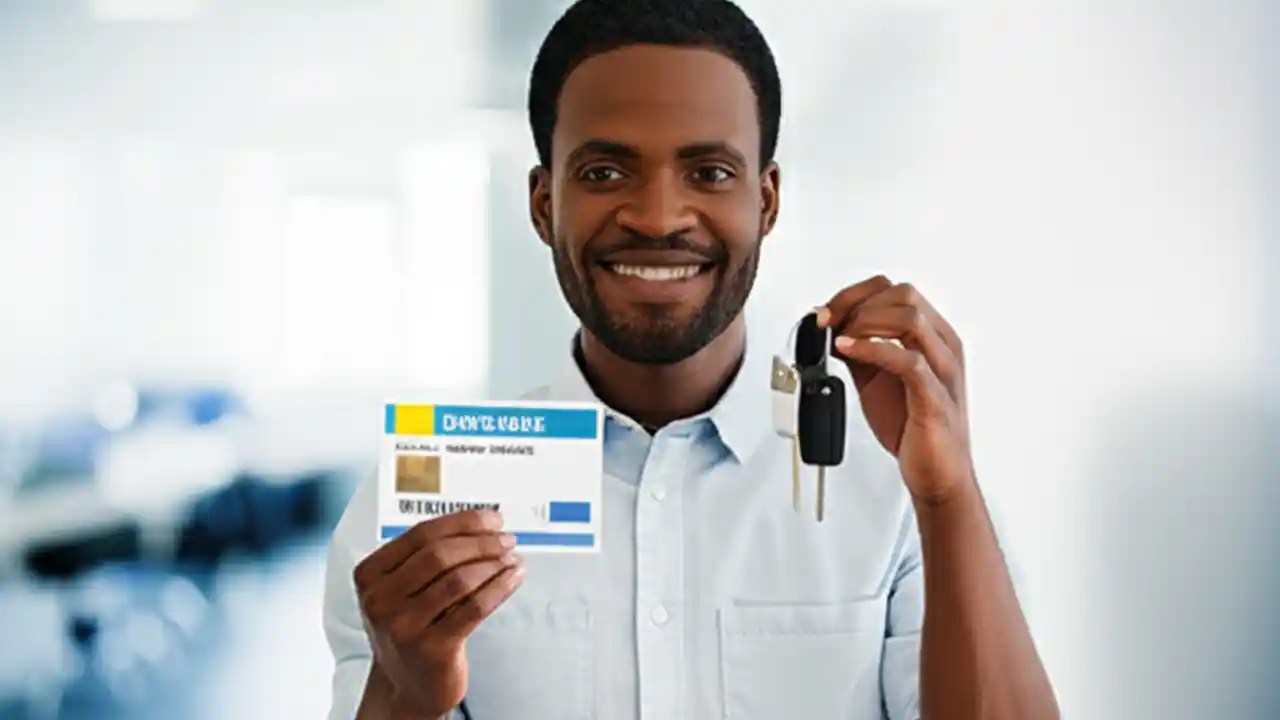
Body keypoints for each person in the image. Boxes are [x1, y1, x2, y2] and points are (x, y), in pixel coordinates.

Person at [323, 0, 1060, 717]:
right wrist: (405, 693)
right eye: (605, 173)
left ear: (766, 202)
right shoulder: (422, 504)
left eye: (708, 173)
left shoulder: (893, 486)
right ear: (543, 204)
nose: (658, 217)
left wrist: (947, 496)